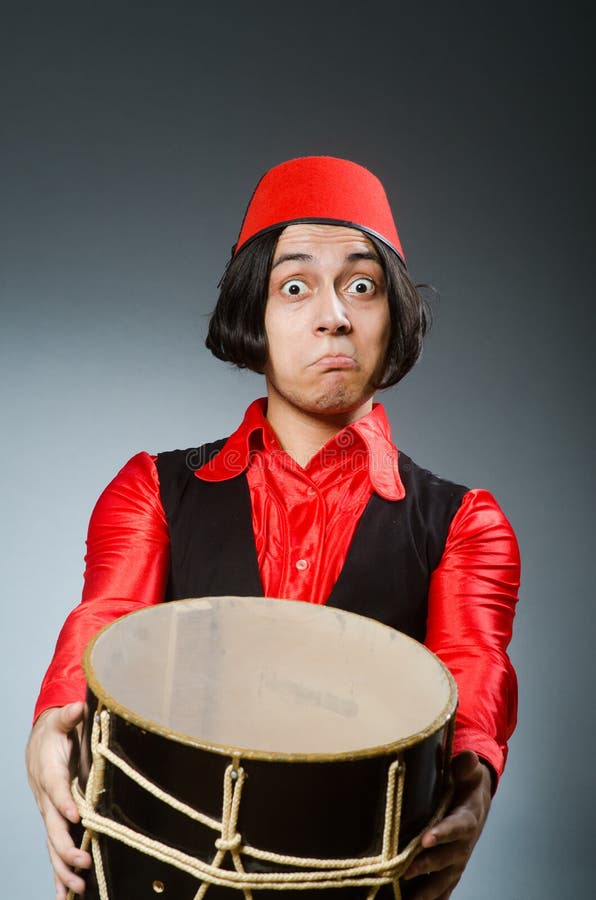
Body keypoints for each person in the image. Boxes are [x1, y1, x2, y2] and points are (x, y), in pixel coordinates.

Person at [26, 156, 520, 900]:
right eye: (296, 286)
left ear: (394, 317)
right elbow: (107, 620)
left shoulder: (464, 523)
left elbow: (471, 670)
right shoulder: (154, 491)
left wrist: (476, 774)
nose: (335, 315)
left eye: (363, 285)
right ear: (253, 311)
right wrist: (53, 721)